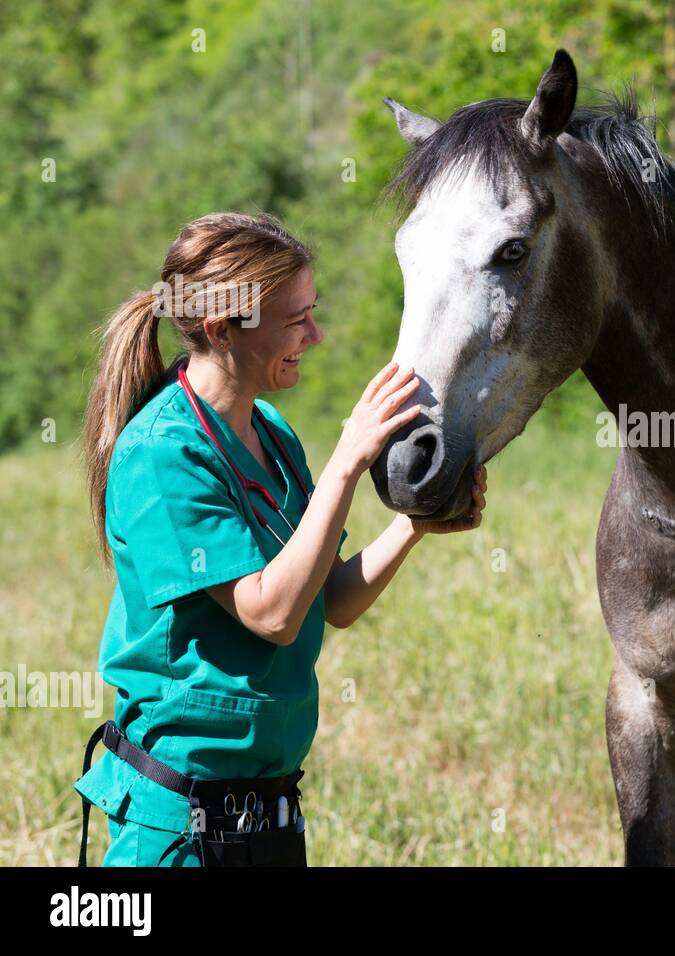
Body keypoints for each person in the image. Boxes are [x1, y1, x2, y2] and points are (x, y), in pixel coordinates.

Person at [74, 212, 486, 866]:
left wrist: (414, 526)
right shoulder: (161, 455)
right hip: (185, 831)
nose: (314, 335)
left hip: (267, 817)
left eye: (311, 311)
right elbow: (272, 612)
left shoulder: (269, 432)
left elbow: (331, 599)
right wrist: (349, 459)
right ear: (219, 329)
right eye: (295, 319)